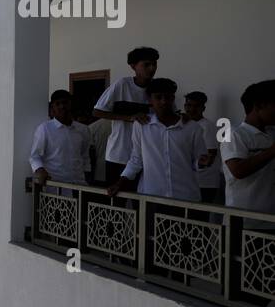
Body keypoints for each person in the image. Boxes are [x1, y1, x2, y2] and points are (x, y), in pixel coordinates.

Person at [108, 78, 207, 203]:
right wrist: (120, 183)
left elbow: (197, 162)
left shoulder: (192, 127)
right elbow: (136, 159)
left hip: (185, 197)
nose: (164, 101)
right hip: (151, 196)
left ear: (173, 98)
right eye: (158, 97)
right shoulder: (142, 125)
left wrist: (202, 163)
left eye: (168, 97)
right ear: (150, 100)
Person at [94, 46, 159, 186]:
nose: (152, 68)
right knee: (118, 202)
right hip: (119, 155)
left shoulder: (158, 90)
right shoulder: (122, 84)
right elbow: (97, 111)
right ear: (133, 66)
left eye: (154, 64)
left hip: (147, 157)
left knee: (142, 201)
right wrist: (129, 117)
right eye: (146, 64)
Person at [220, 80, 275, 214]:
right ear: (258, 106)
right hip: (244, 221)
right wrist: (272, 151)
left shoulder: (272, 133)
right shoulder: (234, 134)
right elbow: (238, 170)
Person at [29, 89, 91, 186]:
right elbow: (34, 156)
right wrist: (40, 170)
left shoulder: (83, 130)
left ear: (71, 104)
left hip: (79, 184)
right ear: (52, 107)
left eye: (65, 103)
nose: (62, 106)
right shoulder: (45, 129)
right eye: (58, 104)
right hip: (55, 186)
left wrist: (87, 177)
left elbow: (85, 156)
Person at [183, 91, 222, 203]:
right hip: (192, 181)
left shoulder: (207, 126)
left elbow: (210, 156)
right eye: (189, 105)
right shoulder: (186, 125)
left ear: (203, 108)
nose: (192, 109)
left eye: (196, 106)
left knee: (199, 217)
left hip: (204, 183)